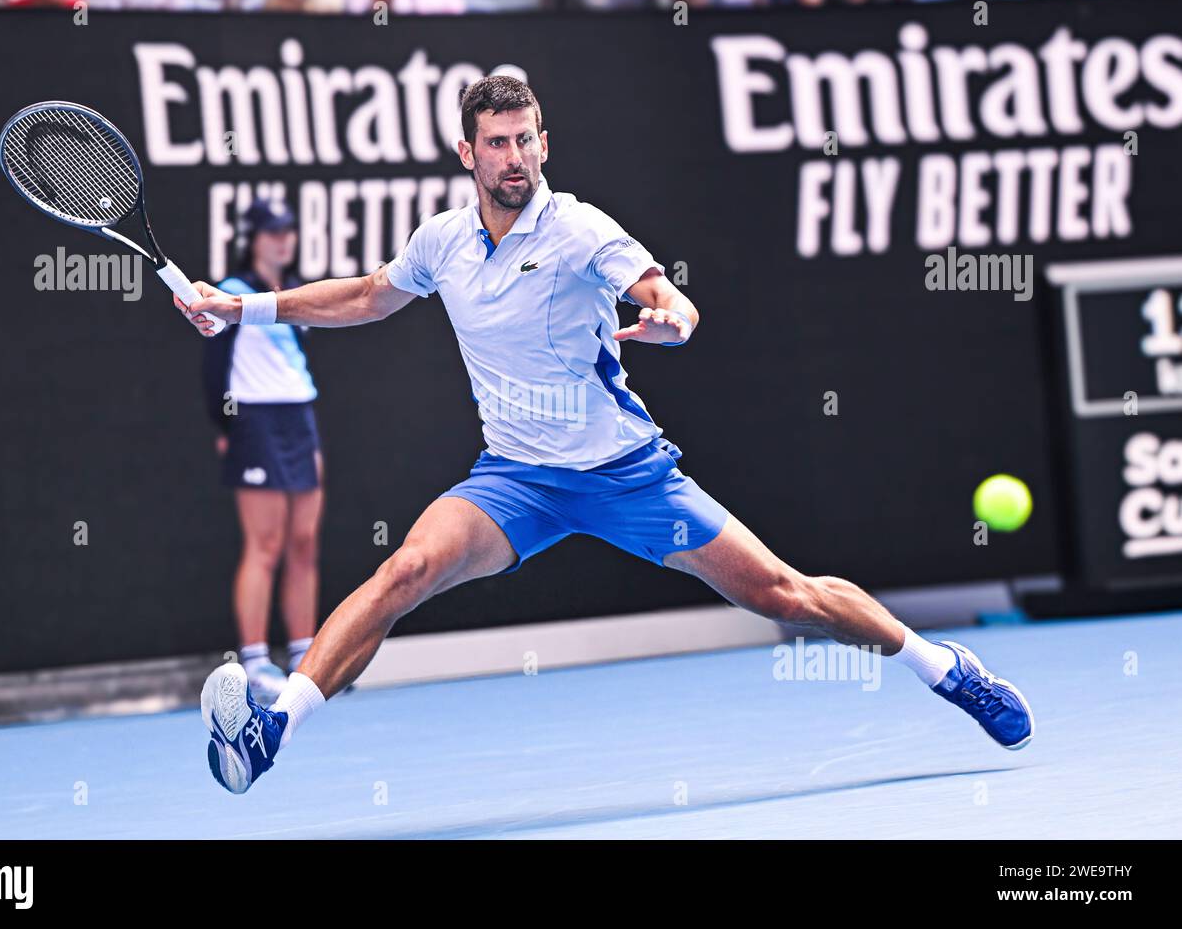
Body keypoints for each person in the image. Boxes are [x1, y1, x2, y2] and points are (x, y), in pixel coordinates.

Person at [179, 76, 1034, 796]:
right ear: (467, 154)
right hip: (515, 479)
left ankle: (943, 668)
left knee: (783, 595)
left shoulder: (583, 229)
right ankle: (271, 733)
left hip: (626, 475)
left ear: (543, 143)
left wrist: (670, 320)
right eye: (496, 143)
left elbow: (669, 297)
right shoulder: (441, 241)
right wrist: (241, 306)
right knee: (404, 570)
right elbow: (368, 295)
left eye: (525, 140)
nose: (513, 158)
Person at [200, 198, 324, 706]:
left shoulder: (290, 294)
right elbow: (212, 364)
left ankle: (304, 656)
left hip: (301, 418)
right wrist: (224, 423)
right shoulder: (230, 295)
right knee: (265, 544)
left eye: (288, 230)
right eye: (272, 232)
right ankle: (253, 661)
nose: (283, 239)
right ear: (252, 238)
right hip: (255, 421)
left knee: (304, 542)